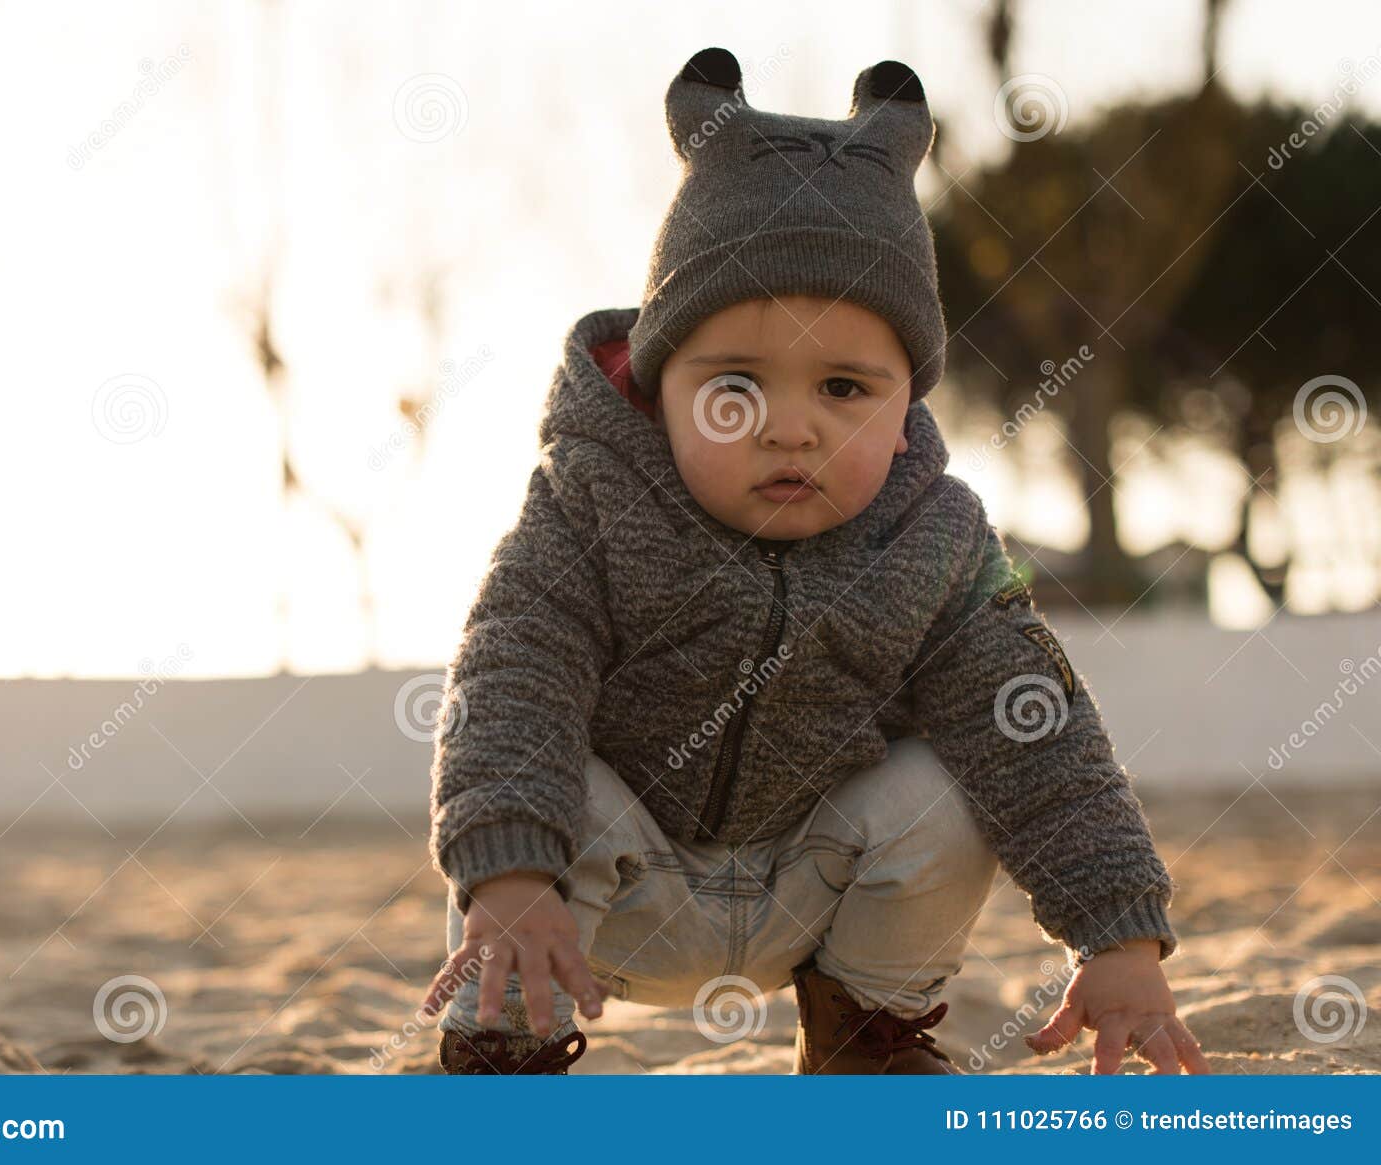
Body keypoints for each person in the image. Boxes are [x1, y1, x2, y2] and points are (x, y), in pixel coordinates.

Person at [418, 49, 1209, 1076]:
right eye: (736, 387)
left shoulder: (938, 541)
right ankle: (505, 1042)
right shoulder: (588, 506)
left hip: (810, 890)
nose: (790, 427)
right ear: (659, 386)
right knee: (547, 773)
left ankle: (863, 1030)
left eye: (843, 388)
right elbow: (510, 676)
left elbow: (1039, 729)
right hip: (607, 901)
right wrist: (508, 874)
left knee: (949, 780)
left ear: (906, 403)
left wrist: (1119, 935)